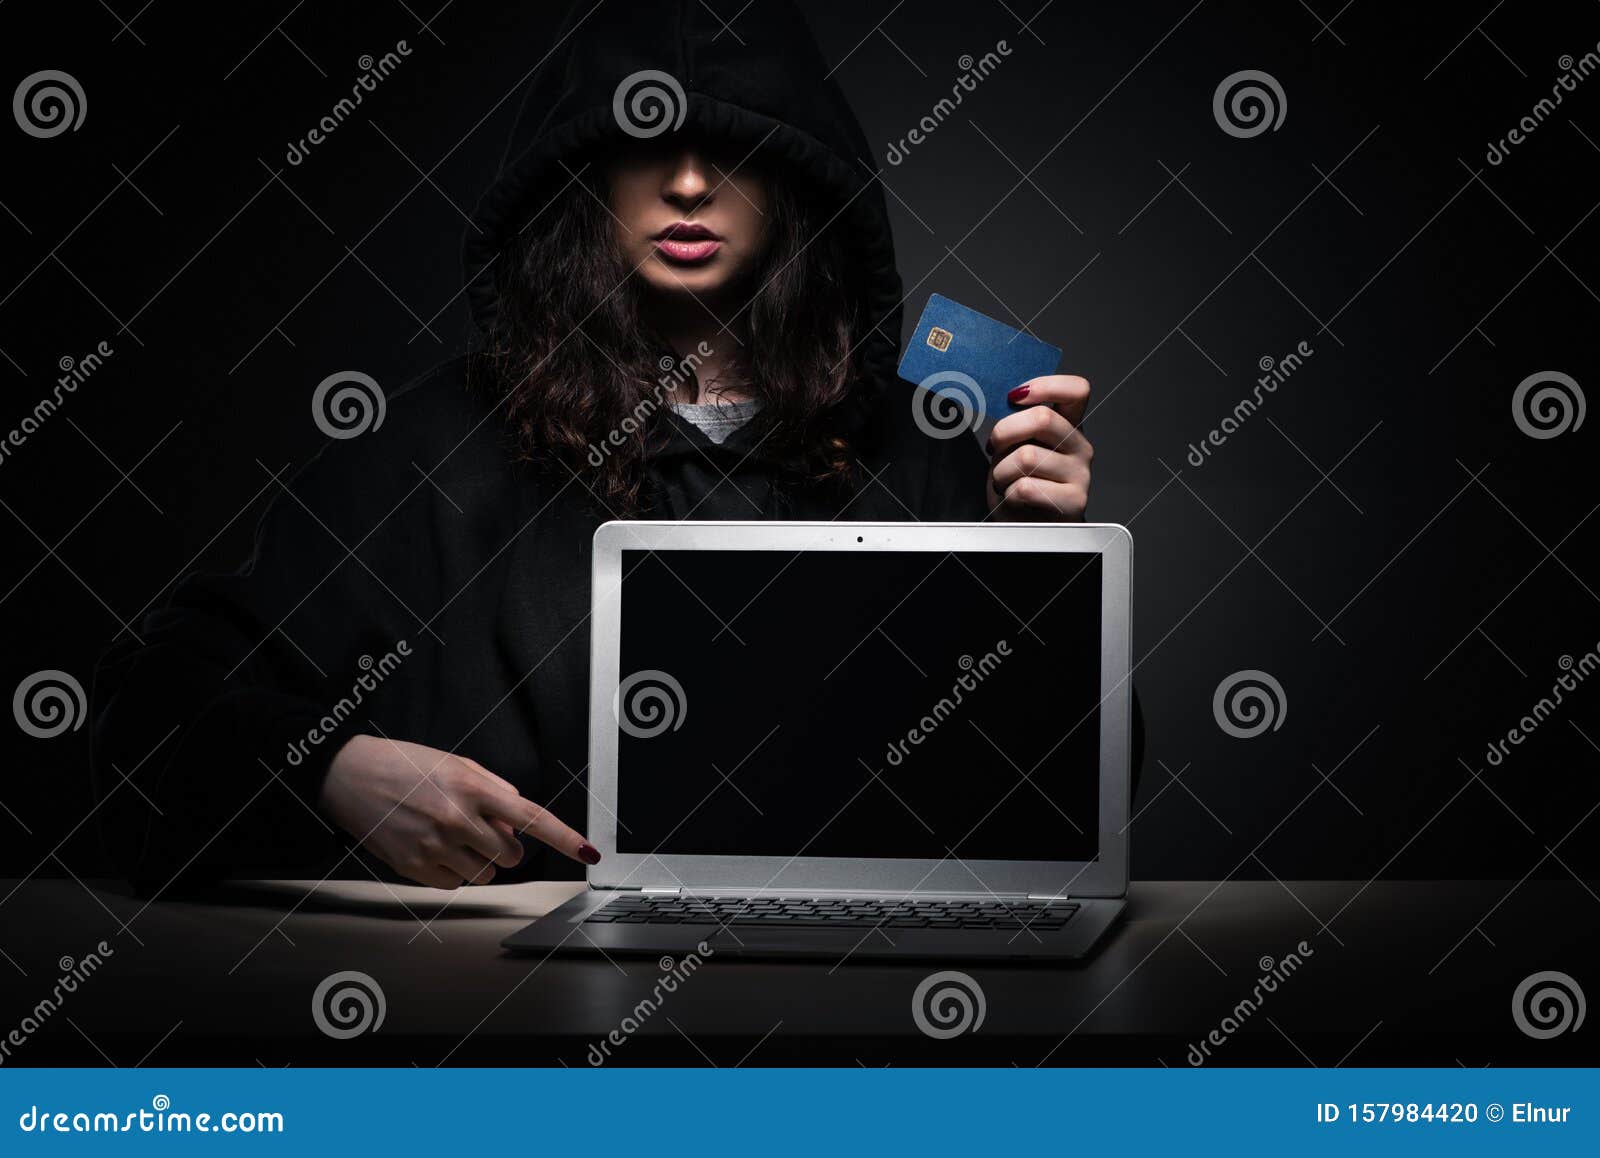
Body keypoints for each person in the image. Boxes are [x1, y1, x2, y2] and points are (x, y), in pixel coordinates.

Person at [92, 1, 1113, 891]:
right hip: (495, 1021)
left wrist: (1043, 577)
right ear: (581, 170)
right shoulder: (430, 446)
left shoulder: (937, 443)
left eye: (736, 147)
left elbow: (1055, 804)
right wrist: (323, 766)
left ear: (801, 176)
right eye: (646, 139)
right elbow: (148, 711)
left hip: (864, 999)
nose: (685, 182)